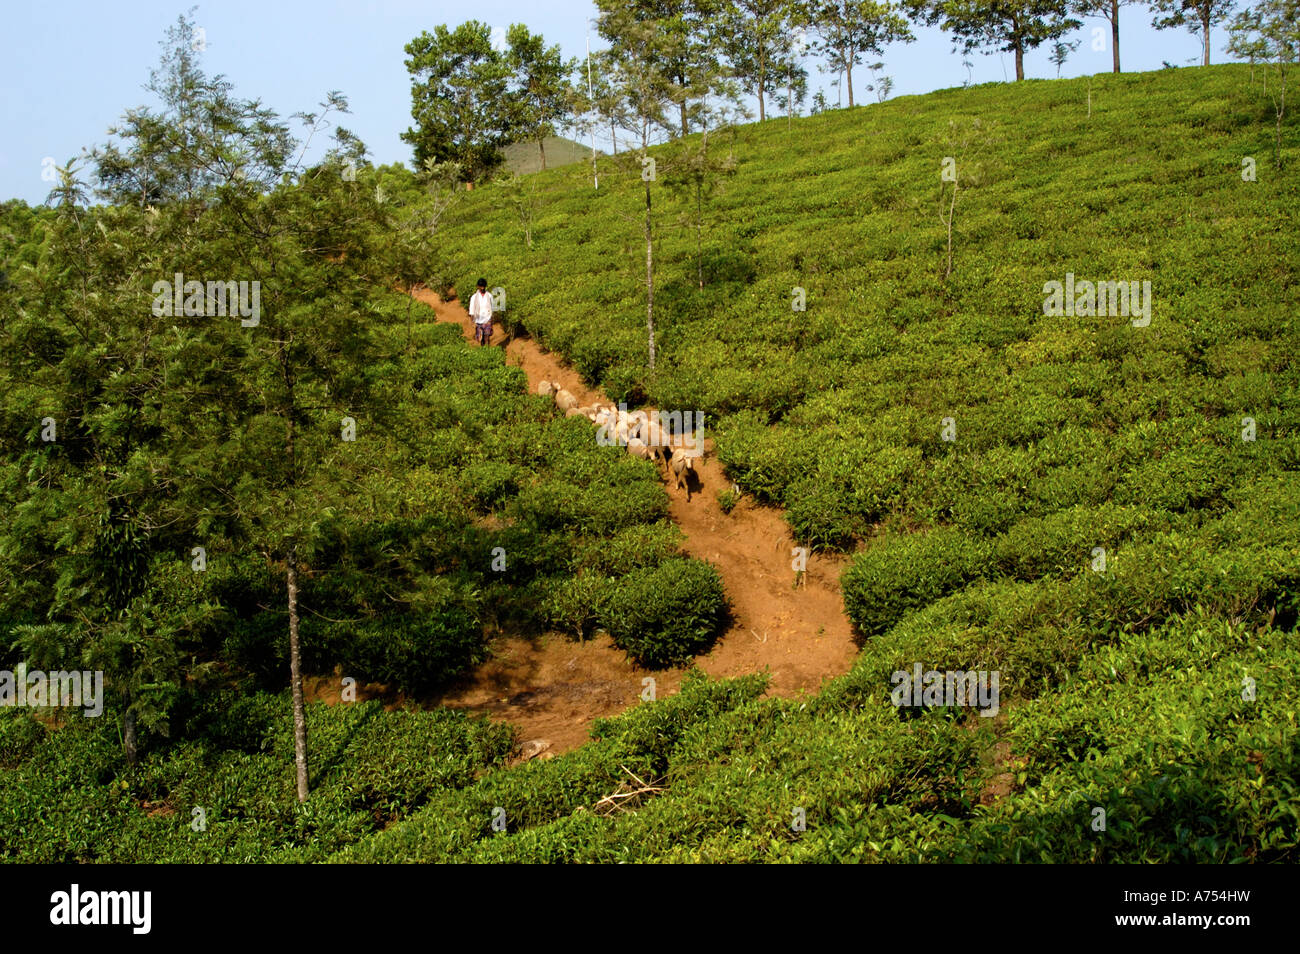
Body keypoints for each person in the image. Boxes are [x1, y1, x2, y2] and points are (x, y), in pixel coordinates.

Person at [469, 278, 494, 346]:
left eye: (483, 286)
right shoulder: (474, 297)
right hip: (478, 319)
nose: (482, 288)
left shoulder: (489, 296)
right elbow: (472, 309)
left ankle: (487, 350)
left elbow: (492, 307)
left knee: (487, 336)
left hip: (487, 318)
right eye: (481, 287)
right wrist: (472, 320)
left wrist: (492, 318)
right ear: (478, 286)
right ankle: (483, 350)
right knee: (481, 338)